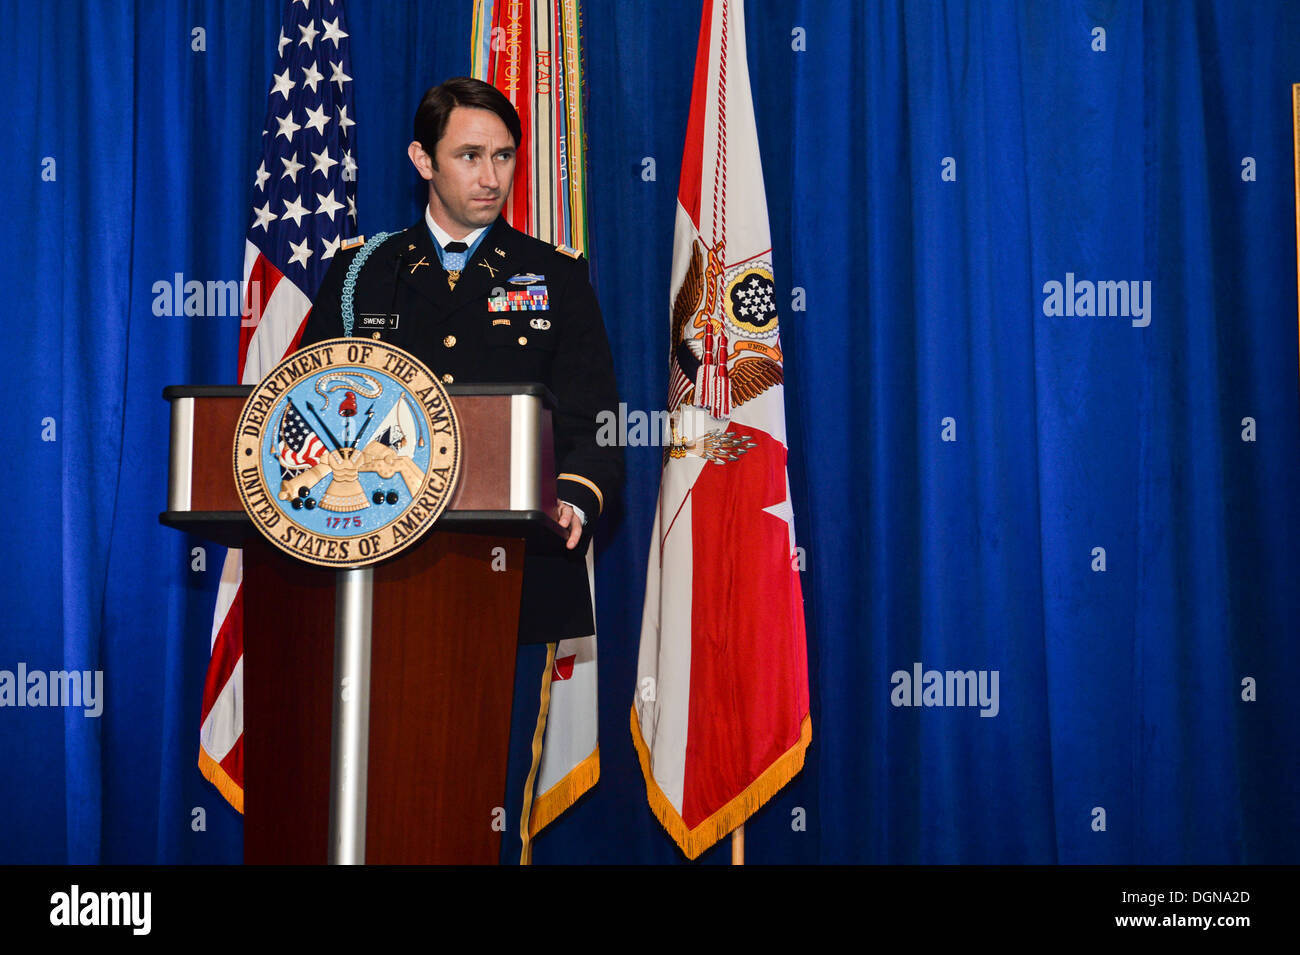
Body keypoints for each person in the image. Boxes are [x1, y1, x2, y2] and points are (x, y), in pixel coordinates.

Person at [299, 77, 622, 644]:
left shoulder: (556, 275)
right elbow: (305, 408)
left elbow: (594, 419)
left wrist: (571, 496)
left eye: (503, 157)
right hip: (377, 565)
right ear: (423, 160)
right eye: (469, 157)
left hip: (518, 572)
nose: (491, 178)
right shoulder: (361, 272)